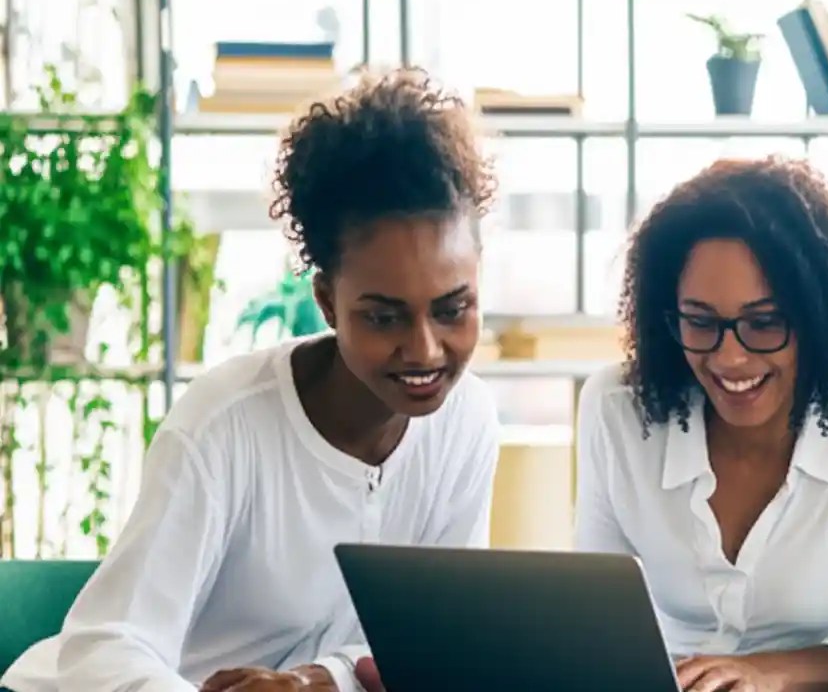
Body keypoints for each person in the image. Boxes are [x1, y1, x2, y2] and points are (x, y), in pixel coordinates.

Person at [0, 68, 500, 692]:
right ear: (326, 301)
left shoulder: (468, 420)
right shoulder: (224, 425)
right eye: (383, 316)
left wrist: (322, 678)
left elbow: (432, 637)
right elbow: (104, 648)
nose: (425, 349)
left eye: (454, 308)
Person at [574, 157, 828, 692]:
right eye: (701, 322)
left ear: (820, 315)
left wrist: (765, 677)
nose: (730, 358)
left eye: (763, 323)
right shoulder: (615, 409)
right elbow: (592, 619)